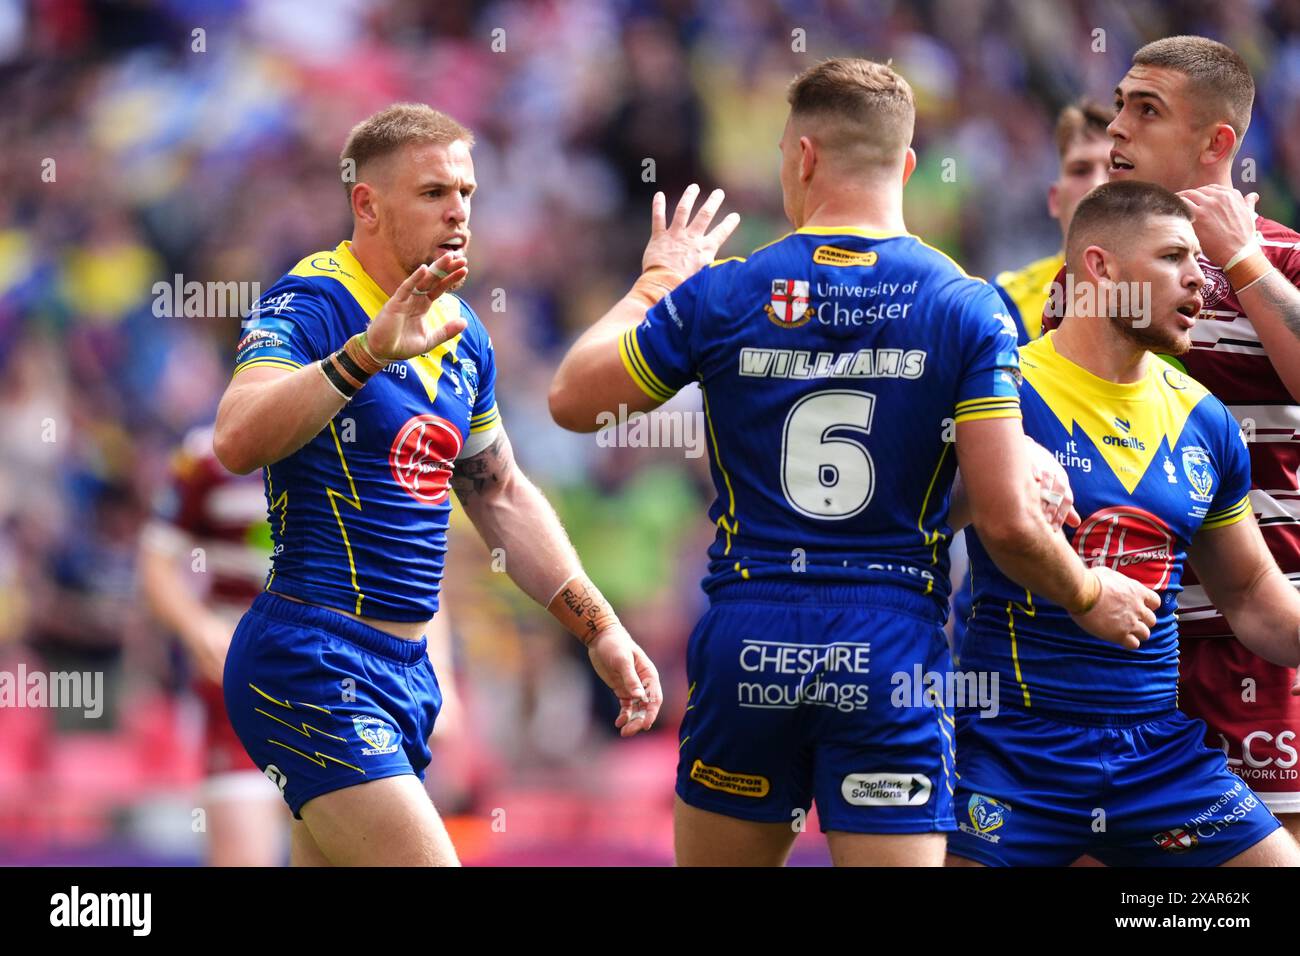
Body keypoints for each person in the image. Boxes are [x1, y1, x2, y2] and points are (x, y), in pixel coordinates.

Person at [549, 57, 1156, 867]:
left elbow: (571, 400)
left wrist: (655, 281)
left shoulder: (725, 295)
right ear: (905, 165)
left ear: (801, 157)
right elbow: (1007, 520)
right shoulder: (964, 303)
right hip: (890, 649)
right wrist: (1086, 591)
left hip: (750, 638)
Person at [211, 103, 662, 867]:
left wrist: (600, 627)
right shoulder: (312, 301)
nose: (459, 211)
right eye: (432, 193)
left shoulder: (462, 333)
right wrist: (363, 356)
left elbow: (499, 493)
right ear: (368, 204)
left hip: (407, 676)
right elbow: (235, 437)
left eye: (468, 193)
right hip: (313, 659)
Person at [1043, 35, 1300, 834]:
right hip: (1118, 636)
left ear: (1216, 143)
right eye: (1120, 104)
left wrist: (1245, 264)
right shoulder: (1087, 275)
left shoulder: (1285, 259)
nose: (1117, 128)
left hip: (1258, 641)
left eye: (1145, 110)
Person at [138, 424, 286, 866]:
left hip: (336, 689)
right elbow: (155, 562)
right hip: (240, 694)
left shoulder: (356, 444)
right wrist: (197, 625)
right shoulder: (207, 455)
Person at [993, 99, 1111, 344]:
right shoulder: (1003, 302)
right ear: (1055, 200)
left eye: (1114, 168)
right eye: (1081, 170)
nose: (1097, 184)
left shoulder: (1169, 298)